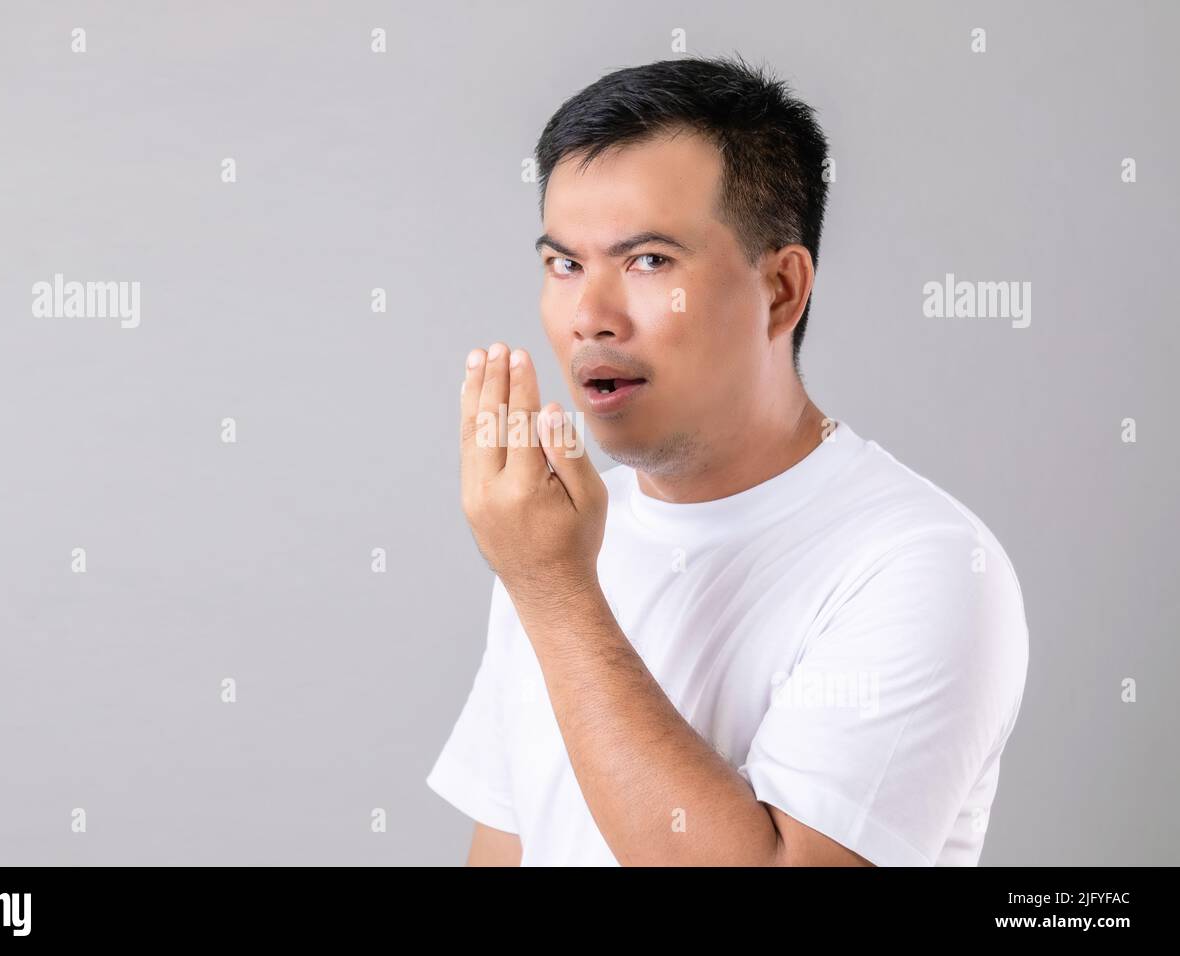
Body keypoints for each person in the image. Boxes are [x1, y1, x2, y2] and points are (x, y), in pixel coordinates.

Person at [427, 54, 1029, 866]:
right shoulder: (554, 537)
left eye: (648, 262)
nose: (589, 317)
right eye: (565, 264)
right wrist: (542, 579)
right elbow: (507, 850)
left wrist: (555, 592)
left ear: (780, 289)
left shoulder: (922, 563)